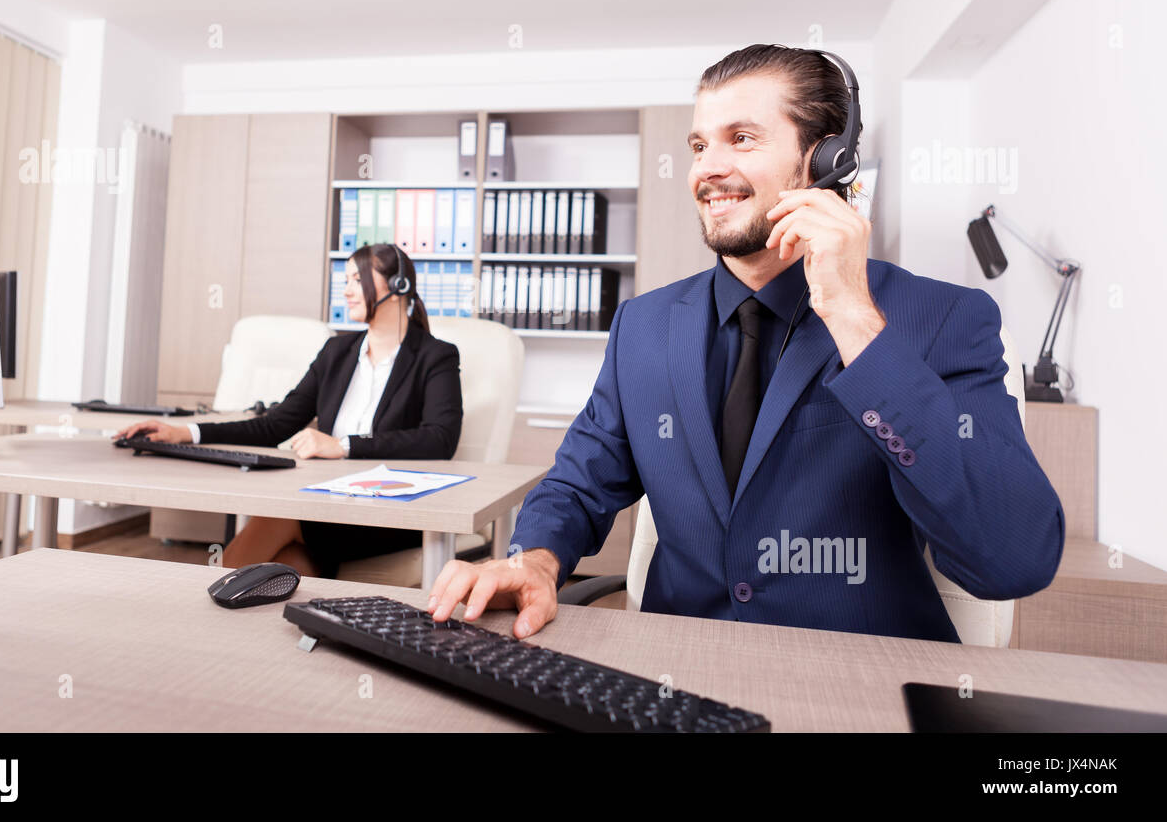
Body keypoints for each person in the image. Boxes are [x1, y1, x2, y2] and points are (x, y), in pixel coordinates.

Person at [428, 44, 1064, 642]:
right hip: (674, 679)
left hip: (858, 688)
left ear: (826, 159)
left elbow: (1012, 557)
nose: (708, 168)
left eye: (742, 139)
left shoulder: (941, 317)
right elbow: (577, 485)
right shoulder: (644, 326)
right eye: (700, 144)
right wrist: (536, 560)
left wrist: (852, 317)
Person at [116, 243, 463, 577]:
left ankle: (195, 610)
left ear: (399, 286)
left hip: (392, 513)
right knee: (289, 566)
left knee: (281, 517)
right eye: (346, 282)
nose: (346, 291)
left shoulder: (435, 356)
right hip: (329, 506)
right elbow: (273, 426)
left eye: (358, 280)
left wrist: (343, 446)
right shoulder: (336, 353)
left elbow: (439, 439)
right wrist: (187, 432)